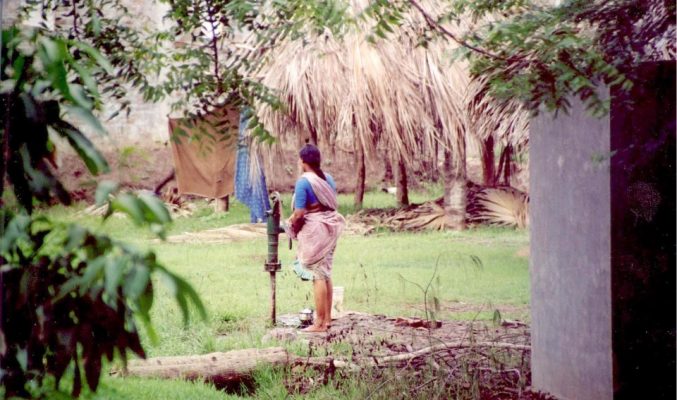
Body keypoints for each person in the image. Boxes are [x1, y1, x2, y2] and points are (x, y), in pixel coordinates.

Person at [286, 143, 345, 332]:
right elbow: (329, 205)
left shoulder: (304, 182)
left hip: (317, 231)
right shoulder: (328, 178)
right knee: (326, 272)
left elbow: (300, 212)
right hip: (331, 227)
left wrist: (290, 224)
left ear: (303, 162)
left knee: (318, 275)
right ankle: (327, 320)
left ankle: (319, 323)